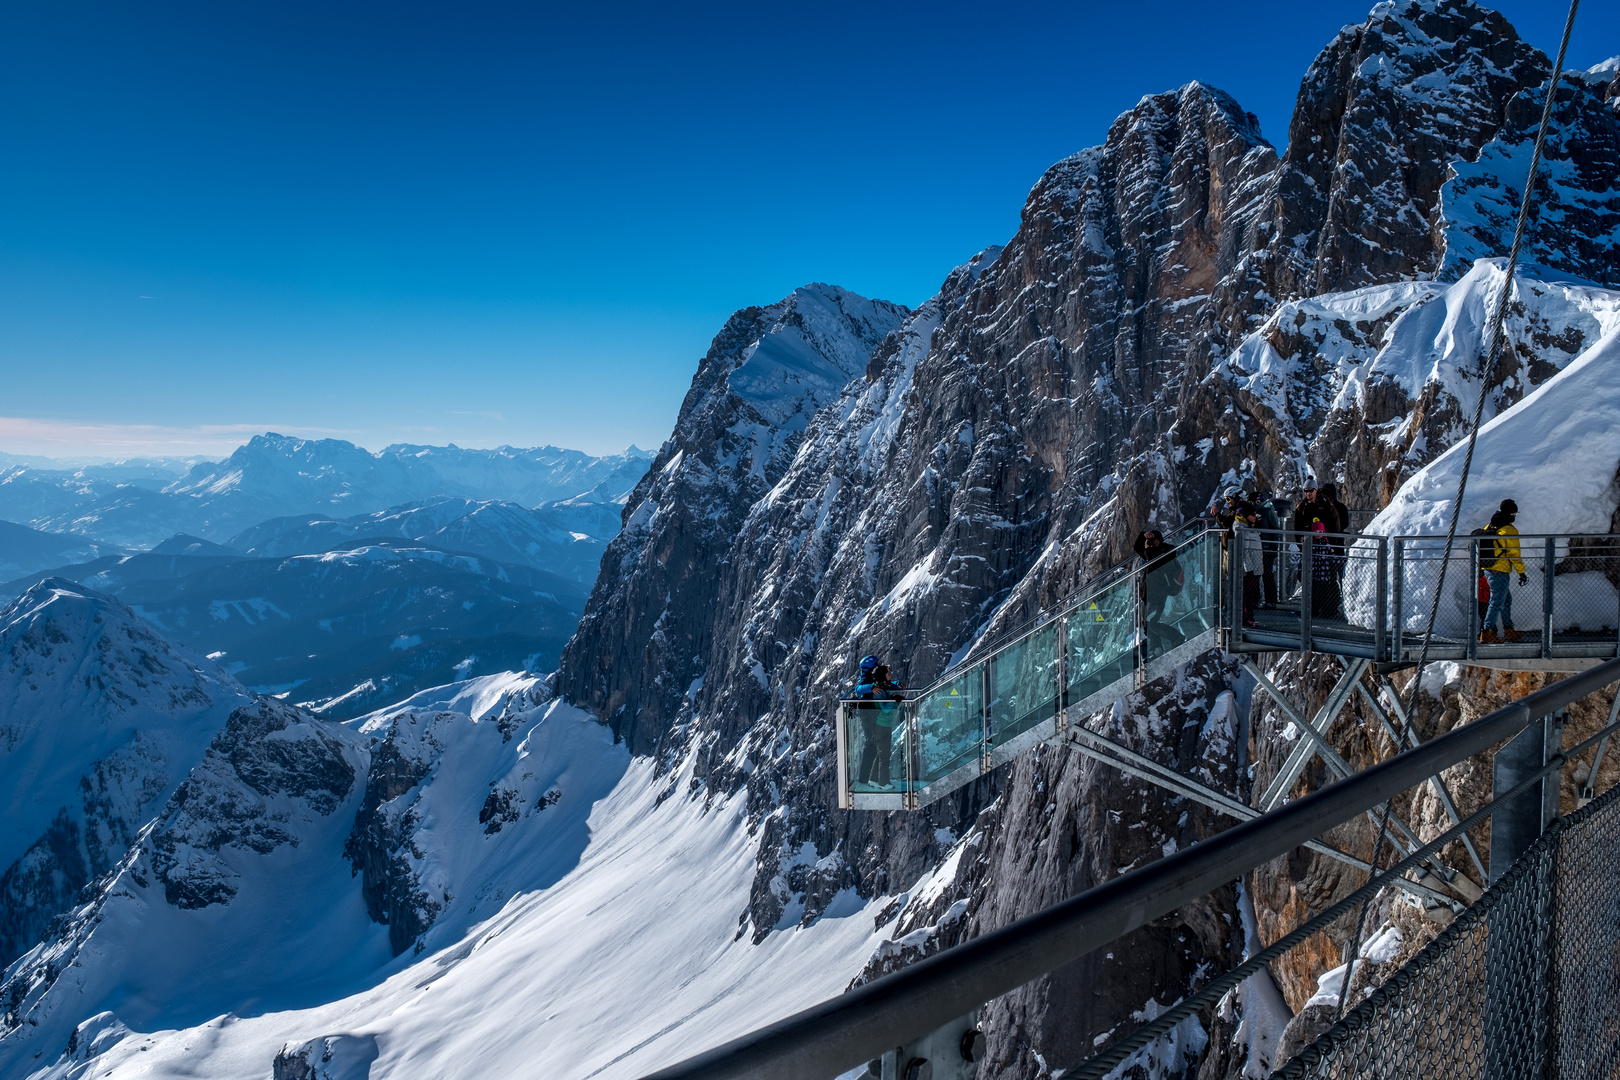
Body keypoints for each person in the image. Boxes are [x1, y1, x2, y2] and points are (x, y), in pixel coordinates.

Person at [853, 655, 905, 788]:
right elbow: (858, 689)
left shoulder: (873, 676)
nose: (879, 664)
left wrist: (897, 685)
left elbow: (884, 683)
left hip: (873, 713)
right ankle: (865, 778)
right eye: (876, 663)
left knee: (874, 744)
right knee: (871, 742)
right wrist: (871, 688)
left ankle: (871, 778)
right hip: (867, 712)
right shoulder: (866, 678)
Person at [1480, 500, 1529, 643]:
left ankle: (1508, 629)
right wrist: (1521, 572)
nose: (1515, 515)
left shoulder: (1491, 525)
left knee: (1506, 599)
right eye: (1514, 513)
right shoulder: (1509, 530)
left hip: (1489, 568)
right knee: (1496, 601)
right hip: (1500, 570)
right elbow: (1514, 554)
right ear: (1510, 513)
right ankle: (1487, 632)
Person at [1134, 529, 1184, 649]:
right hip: (1148, 593)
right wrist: (1143, 535)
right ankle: (1156, 648)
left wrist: (1148, 548)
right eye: (1151, 540)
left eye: (1154, 539)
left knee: (1152, 624)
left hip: (1159, 594)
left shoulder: (1167, 551)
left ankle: (1177, 637)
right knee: (1146, 624)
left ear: (1160, 540)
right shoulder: (1150, 551)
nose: (1153, 542)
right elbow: (1136, 547)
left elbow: (1154, 563)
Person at [1254, 491, 1284, 607]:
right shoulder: (1257, 512)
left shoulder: (1268, 511)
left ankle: (1271, 601)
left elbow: (1275, 529)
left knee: (1267, 574)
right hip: (1258, 548)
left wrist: (1274, 546)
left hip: (1267, 548)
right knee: (1256, 574)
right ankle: (1257, 600)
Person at [1238, 506, 1264, 627]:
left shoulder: (1248, 527)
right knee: (1247, 595)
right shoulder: (1243, 529)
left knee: (1250, 595)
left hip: (1255, 566)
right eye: (1252, 515)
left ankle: (1248, 617)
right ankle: (1246, 618)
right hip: (1251, 569)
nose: (1255, 517)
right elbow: (1244, 550)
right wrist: (1248, 569)